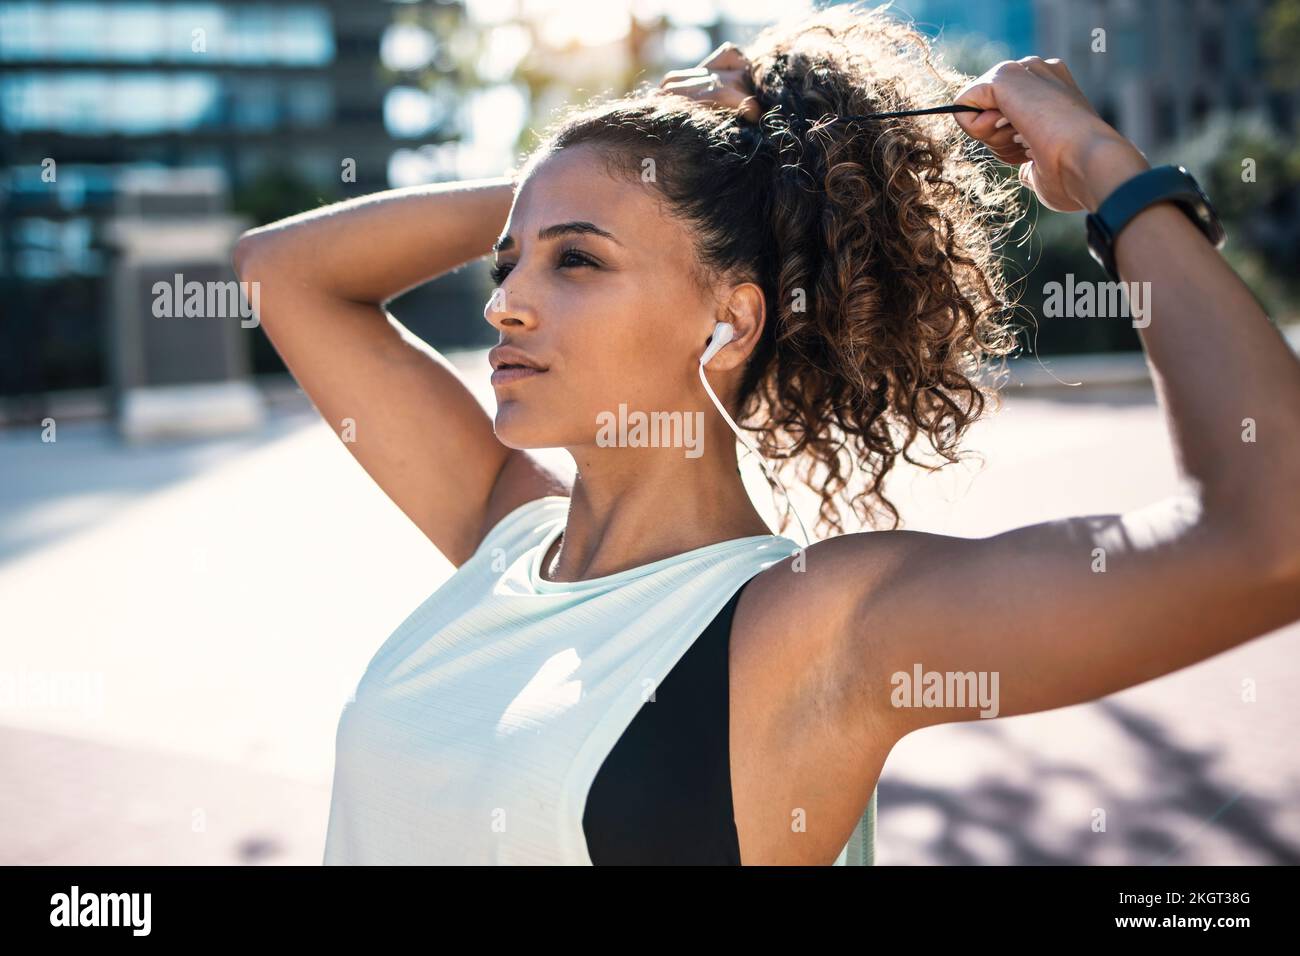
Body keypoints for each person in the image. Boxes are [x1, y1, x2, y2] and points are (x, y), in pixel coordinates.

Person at [232, 4, 1300, 865]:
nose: (504, 302)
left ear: (730, 318)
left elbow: (1270, 536)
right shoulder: (503, 537)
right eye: (506, 262)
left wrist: (1111, 174)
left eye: (576, 261)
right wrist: (607, 160)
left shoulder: (816, 630)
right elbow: (282, 275)